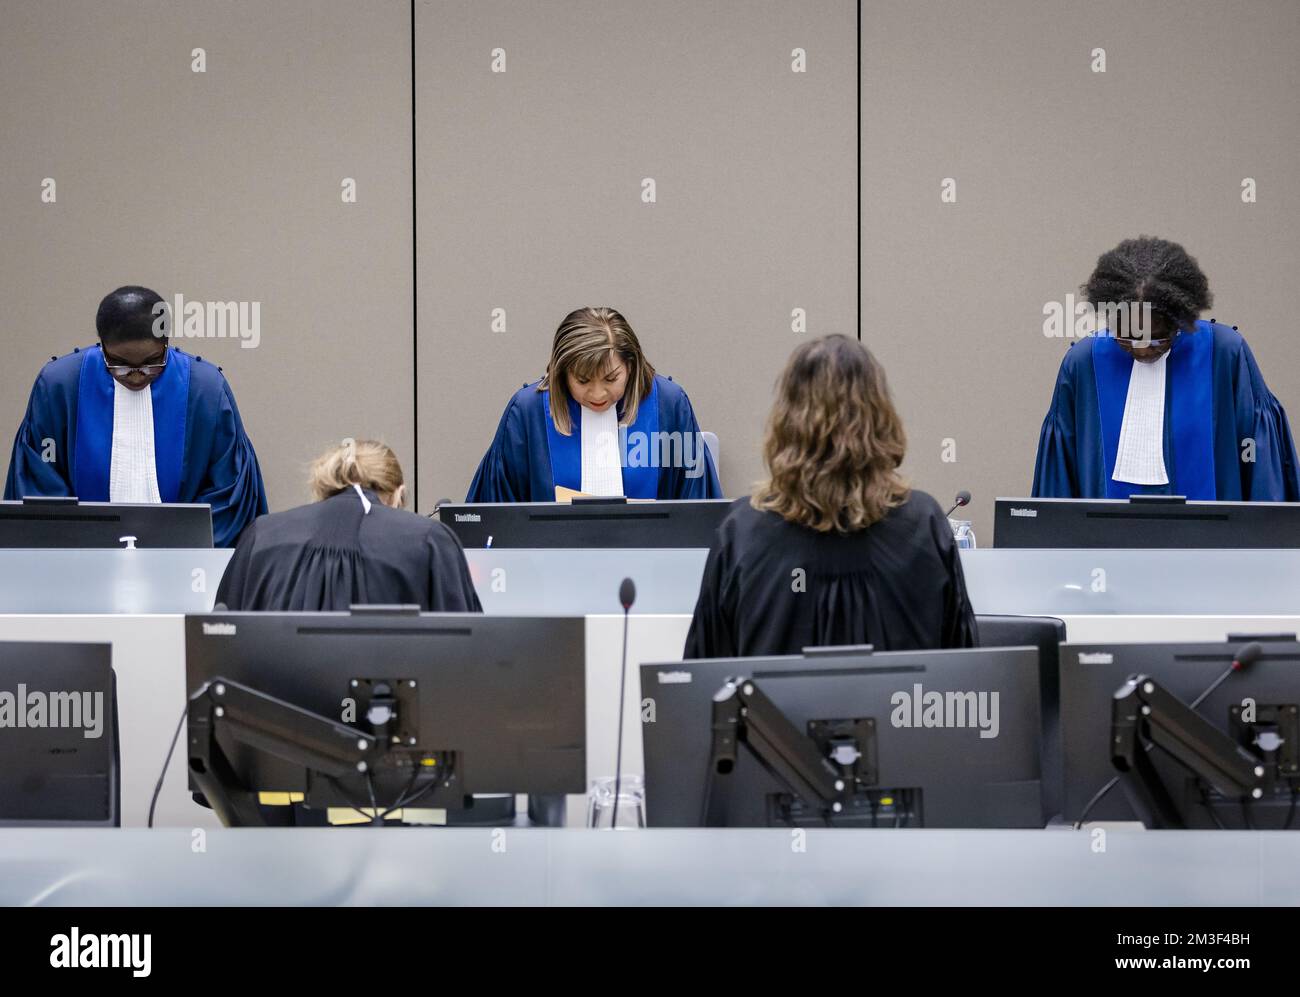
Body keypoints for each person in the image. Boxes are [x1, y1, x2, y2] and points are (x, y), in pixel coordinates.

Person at [684, 334, 977, 659]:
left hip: (772, 713)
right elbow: (965, 677)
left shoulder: (742, 535)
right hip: (905, 711)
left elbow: (702, 684)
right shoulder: (924, 526)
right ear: (881, 418)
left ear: (785, 424)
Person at [1033, 237, 1299, 500]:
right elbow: (1059, 481)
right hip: (1106, 539)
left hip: (1212, 540)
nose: (1141, 349)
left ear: (1180, 321)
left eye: (1157, 338)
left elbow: (1262, 468)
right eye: (1126, 337)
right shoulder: (1084, 362)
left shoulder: (1224, 353)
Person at [4, 285, 266, 546]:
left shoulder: (205, 390)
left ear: (166, 344)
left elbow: (230, 491)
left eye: (152, 362)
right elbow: (39, 481)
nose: (137, 374)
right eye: (119, 364)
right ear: (102, 345)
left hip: (184, 567)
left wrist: (176, 548)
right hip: (82, 562)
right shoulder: (60, 386)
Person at [467, 307, 722, 501]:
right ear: (562, 373)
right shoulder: (528, 412)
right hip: (547, 567)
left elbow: (696, 508)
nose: (598, 393)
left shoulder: (668, 404)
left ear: (630, 366)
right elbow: (496, 515)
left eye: (611, 378)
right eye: (582, 380)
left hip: (654, 564)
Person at [216, 439, 481, 612]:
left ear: (322, 489)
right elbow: (464, 650)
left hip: (274, 695)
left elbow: (222, 636)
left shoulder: (262, 536)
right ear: (399, 494)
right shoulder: (430, 540)